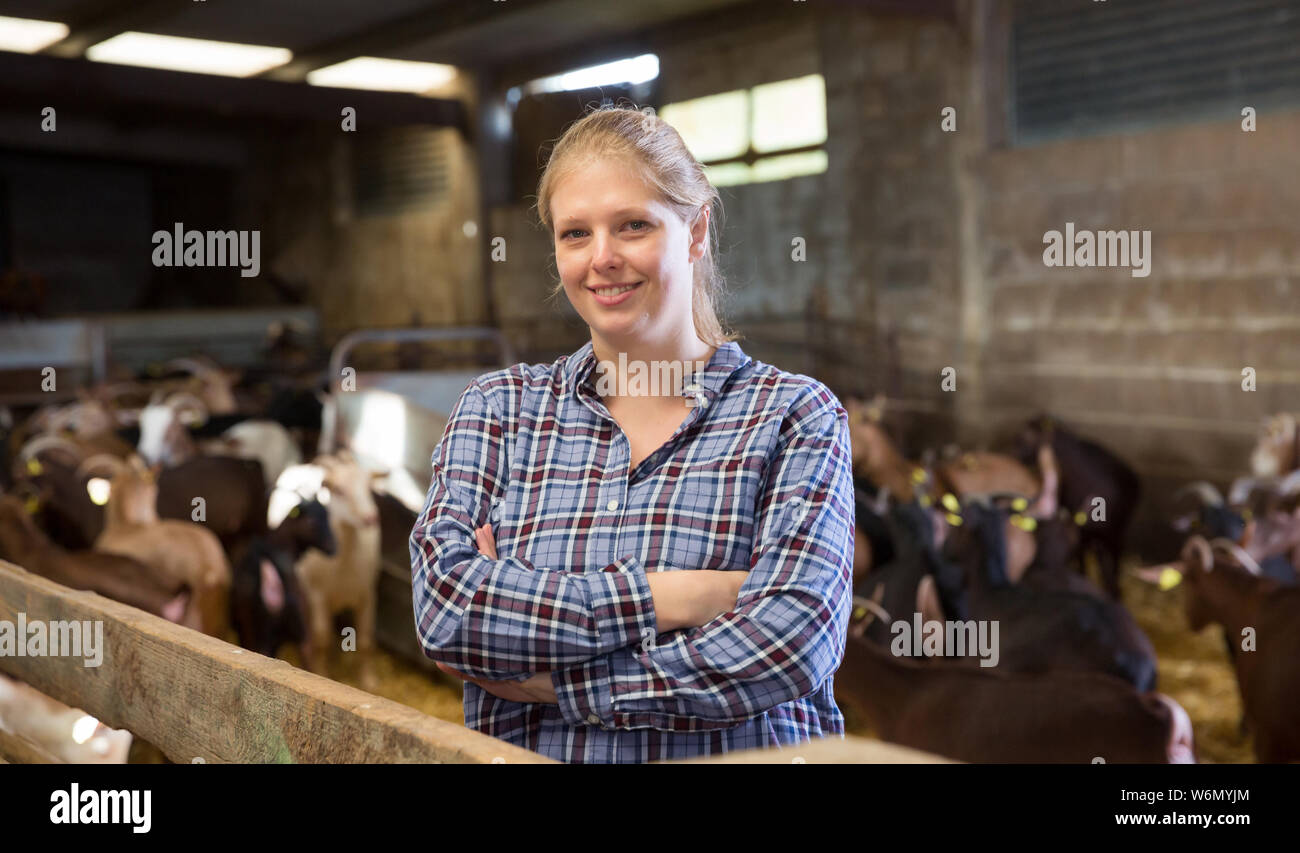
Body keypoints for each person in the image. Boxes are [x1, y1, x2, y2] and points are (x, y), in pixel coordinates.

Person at [410, 103, 854, 763]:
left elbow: (786, 643)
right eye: (575, 234)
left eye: (633, 225)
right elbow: (449, 612)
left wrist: (561, 683)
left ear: (697, 229)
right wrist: (676, 595)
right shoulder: (497, 412)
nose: (603, 259)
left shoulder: (792, 416)